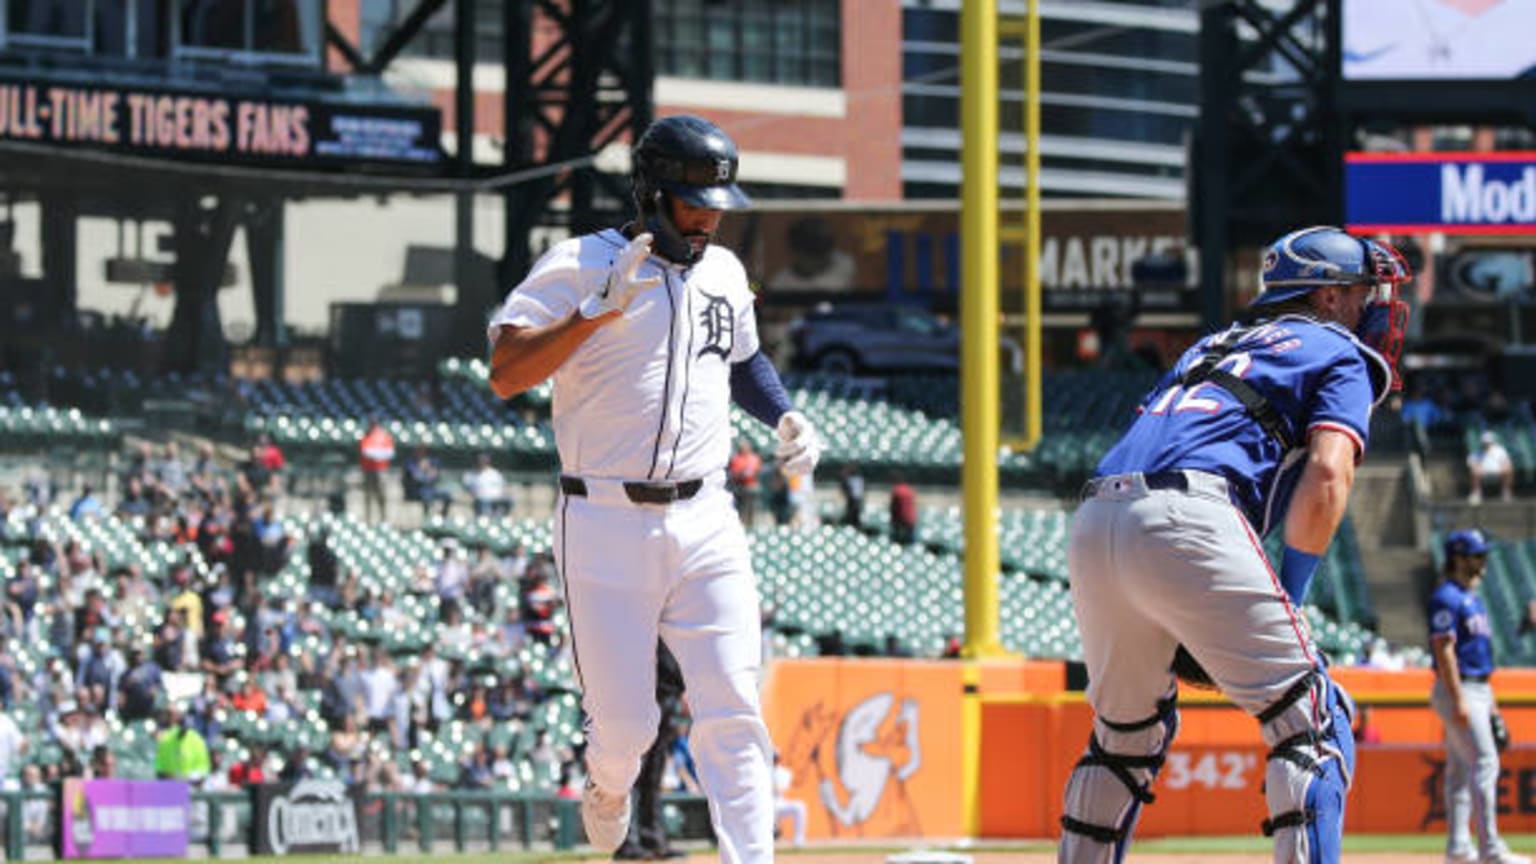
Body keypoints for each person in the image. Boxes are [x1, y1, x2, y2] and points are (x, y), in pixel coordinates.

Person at [487, 114, 821, 863]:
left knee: (734, 711)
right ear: (651, 194)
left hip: (708, 517)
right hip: (603, 519)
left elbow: (742, 361)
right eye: (693, 203)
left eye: (716, 206)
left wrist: (784, 413)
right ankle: (606, 786)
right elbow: (506, 373)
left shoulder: (724, 271)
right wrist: (590, 314)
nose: (707, 219)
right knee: (625, 731)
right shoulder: (579, 263)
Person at [1058, 226, 1413, 864]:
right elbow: (1328, 473)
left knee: (1123, 738)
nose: (1370, 306)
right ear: (1329, 297)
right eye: (1362, 292)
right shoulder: (1337, 348)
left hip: (1094, 518)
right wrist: (1292, 595)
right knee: (1315, 721)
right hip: (1189, 513)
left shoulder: (1211, 344)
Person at [1429, 529, 1529, 864]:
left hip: (1479, 688)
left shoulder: (1472, 598)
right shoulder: (1447, 596)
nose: (1483, 562)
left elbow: (1479, 657)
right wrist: (1458, 698)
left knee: (1460, 769)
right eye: (1476, 555)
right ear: (1458, 558)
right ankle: (1490, 849)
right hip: (1460, 688)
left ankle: (1459, 848)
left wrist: (1492, 705)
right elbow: (1444, 649)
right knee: (1485, 762)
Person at [614, 642, 687, 861]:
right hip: (641, 698)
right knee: (634, 772)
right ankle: (627, 842)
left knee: (653, 776)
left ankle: (652, 839)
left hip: (667, 697)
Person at [359, 418, 395, 523]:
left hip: (381, 470)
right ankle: (368, 519)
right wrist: (377, 454)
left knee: (382, 495)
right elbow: (365, 451)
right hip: (368, 470)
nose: (373, 426)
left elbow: (389, 452)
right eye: (371, 423)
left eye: (374, 423)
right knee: (368, 496)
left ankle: (384, 519)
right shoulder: (366, 436)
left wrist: (375, 454)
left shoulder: (384, 436)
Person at [1467, 431, 1514, 504]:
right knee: (1474, 472)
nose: (1487, 444)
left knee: (1508, 470)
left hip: (1498, 471)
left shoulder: (1500, 450)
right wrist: (1477, 468)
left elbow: (1506, 462)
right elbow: (1472, 463)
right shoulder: (1476, 453)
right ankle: (1477, 493)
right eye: (1485, 442)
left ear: (1492, 442)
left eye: (1489, 442)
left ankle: (1506, 492)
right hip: (1483, 472)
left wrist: (1504, 467)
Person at [771, 751, 806, 848]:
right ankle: (773, 832)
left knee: (799, 806)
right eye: (772, 758)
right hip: (765, 804)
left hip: (779, 802)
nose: (773, 760)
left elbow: (780, 788)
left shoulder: (784, 772)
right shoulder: (761, 770)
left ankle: (798, 840)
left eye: (775, 758)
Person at [727, 440, 762, 527]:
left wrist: (747, 472)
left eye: (746, 446)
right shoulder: (737, 458)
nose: (744, 448)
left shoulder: (754, 458)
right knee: (741, 509)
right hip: (740, 487)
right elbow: (735, 473)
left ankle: (751, 525)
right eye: (743, 447)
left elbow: (756, 470)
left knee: (752, 509)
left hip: (751, 486)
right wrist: (742, 473)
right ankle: (742, 525)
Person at [888, 475, 917, 545]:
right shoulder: (909, 490)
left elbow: (893, 507)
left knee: (898, 541)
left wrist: (893, 520)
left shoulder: (897, 490)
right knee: (910, 541)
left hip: (901, 519)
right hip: (911, 519)